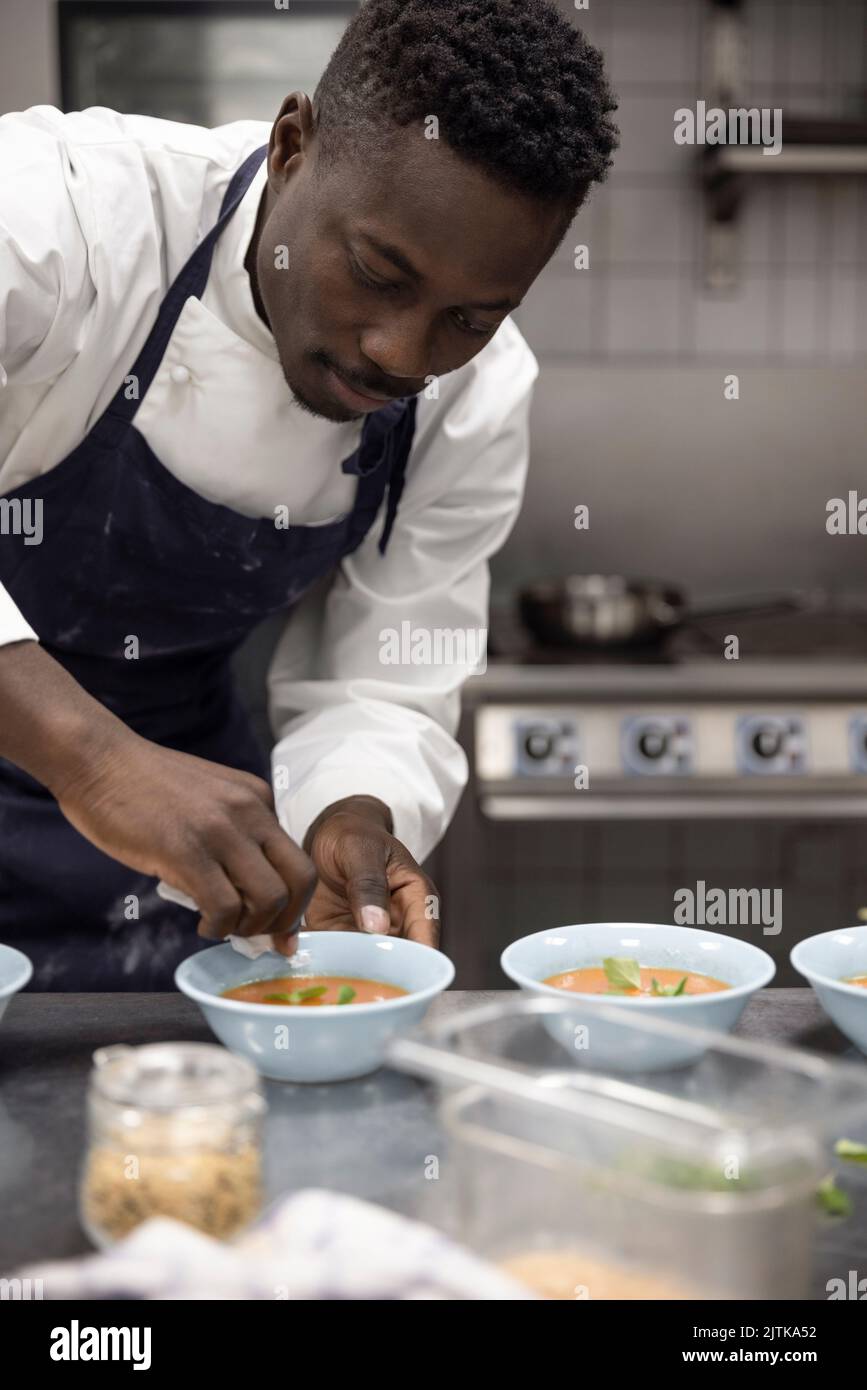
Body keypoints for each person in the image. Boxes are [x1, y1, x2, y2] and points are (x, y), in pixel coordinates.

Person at [0, 0, 617, 988]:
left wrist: (352, 812)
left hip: (195, 837)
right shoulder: (62, 214)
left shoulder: (477, 398)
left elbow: (384, 671)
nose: (401, 354)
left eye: (470, 316)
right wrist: (92, 759)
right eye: (376, 271)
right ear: (294, 144)